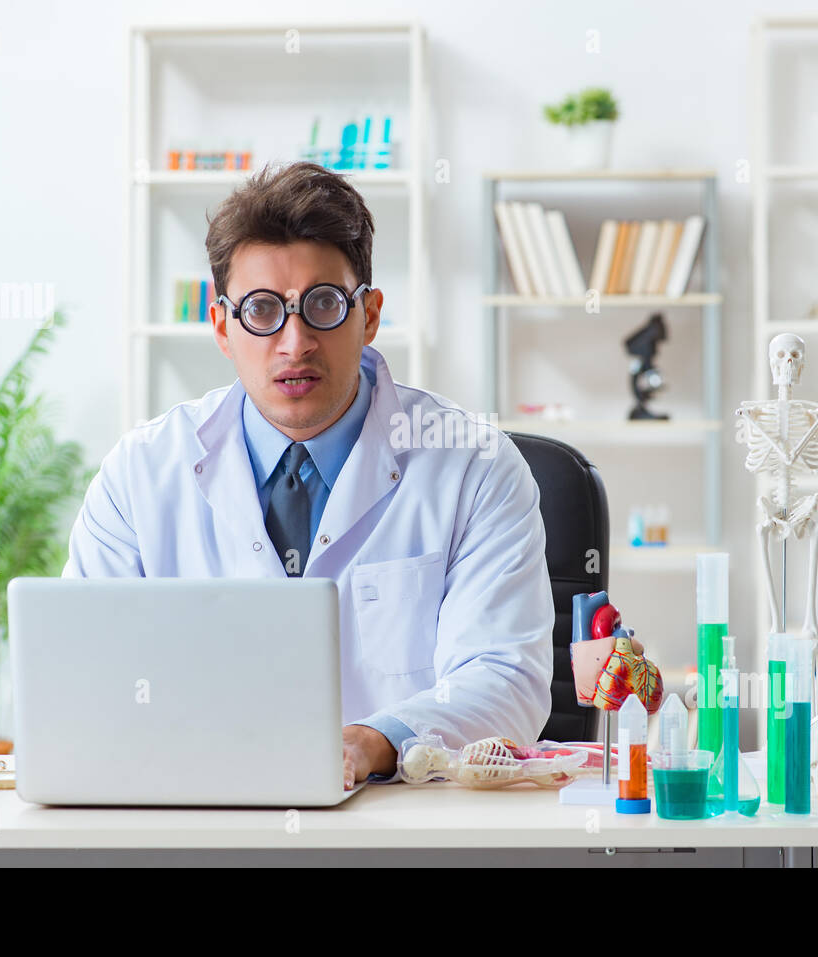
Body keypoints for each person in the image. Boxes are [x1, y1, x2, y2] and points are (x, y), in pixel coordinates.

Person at [63, 161, 554, 787]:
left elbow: (506, 679)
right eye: (262, 311)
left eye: (322, 304)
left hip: (405, 827)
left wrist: (375, 743)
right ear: (221, 326)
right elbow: (86, 675)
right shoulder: (140, 475)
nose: (294, 343)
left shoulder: (474, 466)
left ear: (369, 315)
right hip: (198, 818)